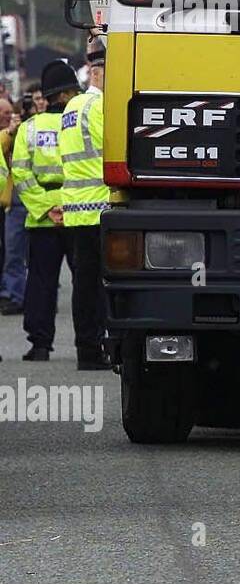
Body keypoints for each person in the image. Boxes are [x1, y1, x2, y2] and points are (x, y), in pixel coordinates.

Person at [12, 60, 79, 362]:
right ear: (66, 94)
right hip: (79, 213)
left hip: (42, 220)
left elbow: (21, 174)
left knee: (41, 283)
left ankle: (40, 345)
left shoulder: (29, 128)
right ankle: (90, 344)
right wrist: (66, 206)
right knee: (86, 283)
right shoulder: (81, 123)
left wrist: (46, 207)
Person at [58, 37, 111, 370]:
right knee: (102, 286)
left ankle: (86, 351)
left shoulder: (71, 108)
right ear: (97, 74)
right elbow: (115, 148)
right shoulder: (100, 107)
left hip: (76, 208)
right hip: (101, 206)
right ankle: (100, 347)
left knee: (82, 285)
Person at [1, 94, 33, 317]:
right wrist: (11, 132)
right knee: (12, 254)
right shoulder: (6, 135)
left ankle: (22, 295)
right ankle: (13, 295)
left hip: (29, 199)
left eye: (6, 113)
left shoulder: (28, 130)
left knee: (30, 255)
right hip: (11, 203)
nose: (4, 117)